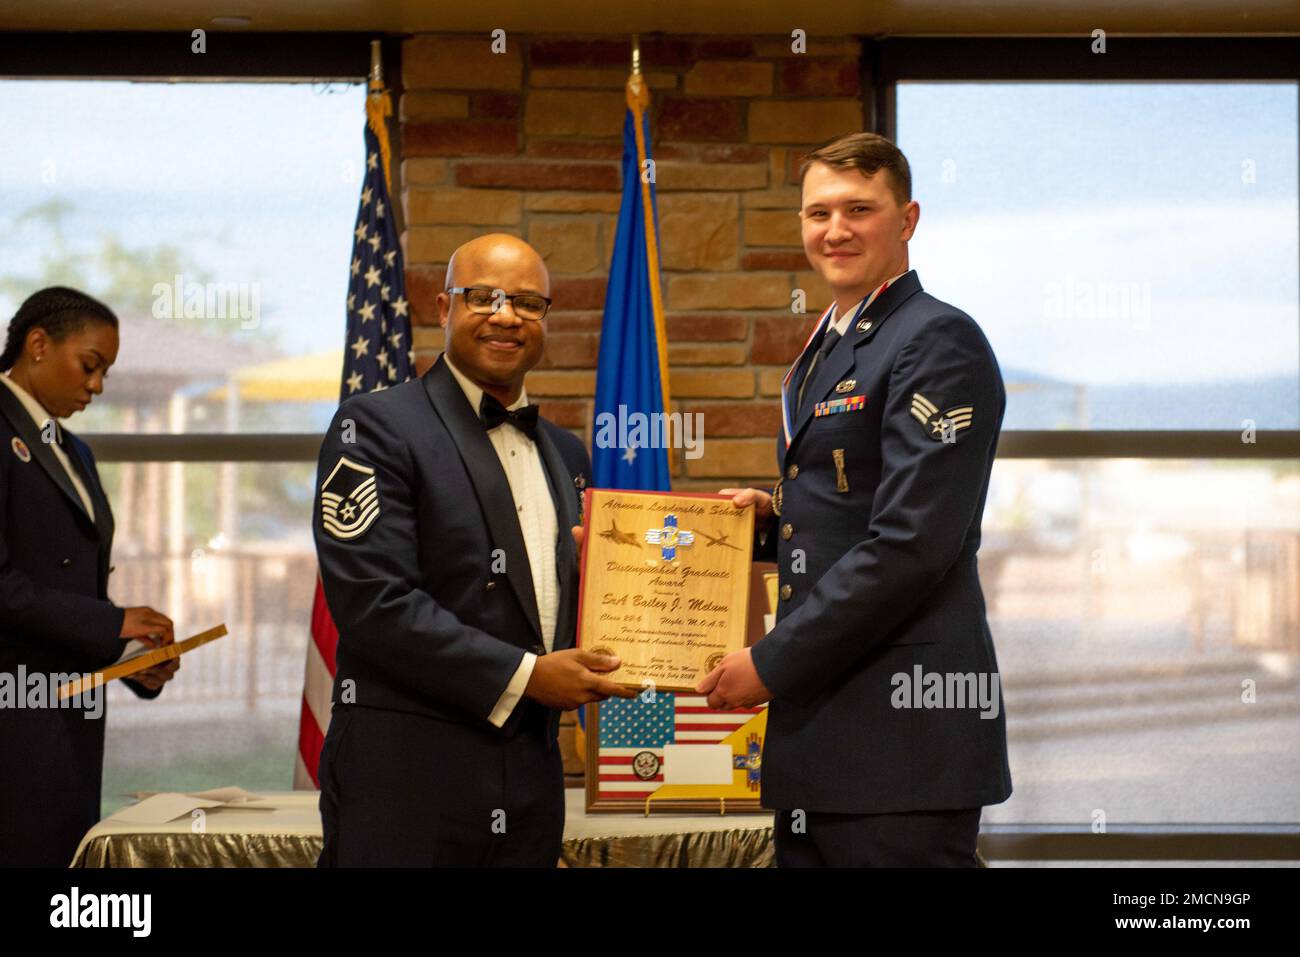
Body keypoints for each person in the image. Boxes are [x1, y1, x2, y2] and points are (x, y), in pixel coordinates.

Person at [699, 132, 1013, 866]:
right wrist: (772, 525)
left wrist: (770, 661)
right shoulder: (833, 344)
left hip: (902, 737)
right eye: (818, 213)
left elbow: (911, 545)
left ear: (907, 219)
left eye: (858, 209)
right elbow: (855, 509)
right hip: (828, 733)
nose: (834, 230)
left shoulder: (936, 339)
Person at [314, 233, 634, 867]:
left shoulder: (567, 454)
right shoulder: (375, 426)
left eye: (527, 302)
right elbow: (374, 604)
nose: (505, 315)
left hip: (531, 779)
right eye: (482, 297)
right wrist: (528, 677)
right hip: (407, 780)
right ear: (442, 309)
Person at [0, 287, 179, 868]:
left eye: (105, 371)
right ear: (37, 344)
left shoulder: (74, 450)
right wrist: (112, 621)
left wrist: (130, 653)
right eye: (90, 365)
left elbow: (76, 592)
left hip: (67, 715)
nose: (97, 386)